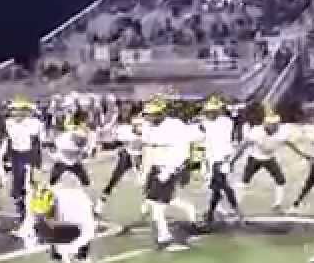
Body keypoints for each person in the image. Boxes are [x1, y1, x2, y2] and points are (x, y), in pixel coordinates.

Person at [140, 97, 195, 249]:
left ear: (161, 113)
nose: (149, 117)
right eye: (148, 114)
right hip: (156, 167)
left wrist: (170, 171)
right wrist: (144, 171)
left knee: (157, 205)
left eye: (153, 114)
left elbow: (182, 151)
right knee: (154, 201)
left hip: (169, 168)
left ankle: (164, 235)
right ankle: (188, 210)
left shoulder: (175, 126)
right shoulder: (148, 127)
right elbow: (149, 149)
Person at [25, 185, 97, 263]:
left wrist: (75, 247)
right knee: (60, 249)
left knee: (80, 255)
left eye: (46, 213)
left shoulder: (77, 212)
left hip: (78, 222)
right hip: (62, 219)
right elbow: (31, 220)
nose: (44, 216)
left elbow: (87, 231)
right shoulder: (36, 201)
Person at [236, 110, 301, 211]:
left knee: (281, 180)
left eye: (275, 125)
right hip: (255, 158)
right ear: (265, 124)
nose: (273, 128)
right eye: (271, 125)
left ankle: (277, 204)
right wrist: (232, 160)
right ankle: (236, 203)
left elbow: (290, 143)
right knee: (244, 181)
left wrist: (302, 154)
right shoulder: (256, 131)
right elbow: (243, 146)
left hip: (269, 158)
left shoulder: (282, 133)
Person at [0, 97, 44, 236]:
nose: (16, 113)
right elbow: (7, 142)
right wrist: (7, 160)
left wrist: (37, 164)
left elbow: (37, 144)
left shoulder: (34, 124)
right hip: (17, 157)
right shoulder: (9, 123)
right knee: (16, 191)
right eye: (14, 110)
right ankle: (24, 217)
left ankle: (29, 221)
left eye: (20, 110)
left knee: (29, 189)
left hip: (28, 156)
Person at [200, 95, 242, 225]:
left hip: (222, 159)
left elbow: (224, 140)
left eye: (213, 111)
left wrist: (227, 159)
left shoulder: (225, 122)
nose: (210, 114)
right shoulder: (204, 123)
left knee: (222, 185)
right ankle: (212, 213)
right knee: (216, 189)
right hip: (210, 159)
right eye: (208, 112)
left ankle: (236, 210)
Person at [95, 112, 144, 216]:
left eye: (141, 125)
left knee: (145, 181)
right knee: (114, 179)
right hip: (127, 156)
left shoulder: (148, 132)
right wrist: (104, 144)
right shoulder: (126, 132)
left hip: (141, 157)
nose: (139, 128)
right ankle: (100, 204)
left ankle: (146, 203)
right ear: (132, 126)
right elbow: (115, 143)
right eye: (137, 126)